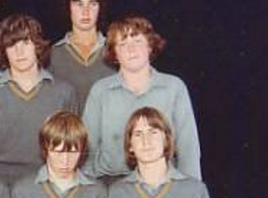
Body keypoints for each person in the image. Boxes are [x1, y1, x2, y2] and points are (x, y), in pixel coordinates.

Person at [83, 16, 201, 181]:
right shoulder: (100, 91)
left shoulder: (174, 87)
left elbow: (188, 146)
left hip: (163, 182)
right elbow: (87, 146)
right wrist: (90, 189)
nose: (131, 49)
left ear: (150, 46)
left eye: (137, 41)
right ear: (114, 54)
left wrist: (191, 189)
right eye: (122, 44)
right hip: (111, 183)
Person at [0, 13, 79, 186]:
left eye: (25, 42)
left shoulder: (64, 92)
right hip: (2, 184)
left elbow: (72, 148)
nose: (19, 51)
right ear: (3, 50)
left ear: (37, 46)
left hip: (50, 182)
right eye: (12, 45)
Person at [48, 0, 114, 111]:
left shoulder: (116, 51)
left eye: (92, 4)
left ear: (100, 8)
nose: (86, 12)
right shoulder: (52, 55)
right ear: (68, 7)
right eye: (79, 4)